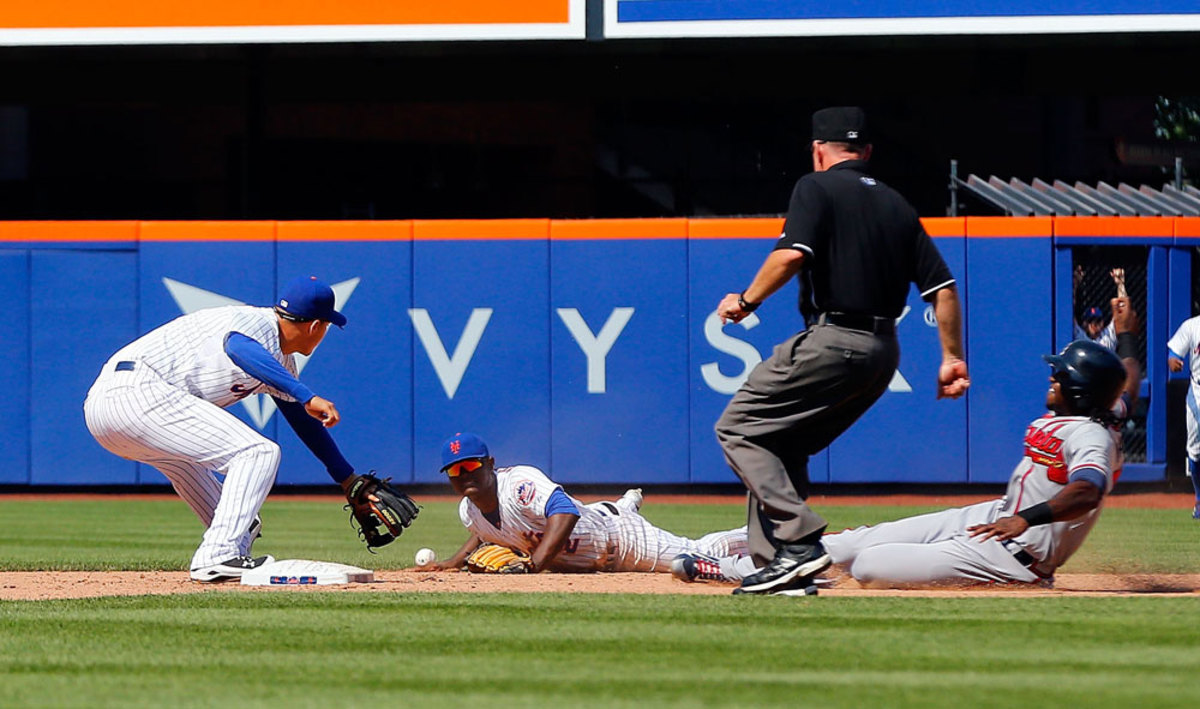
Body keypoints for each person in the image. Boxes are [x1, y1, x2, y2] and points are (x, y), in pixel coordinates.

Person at [712, 106, 969, 596]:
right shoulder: (897, 204)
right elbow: (945, 289)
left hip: (835, 339)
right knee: (781, 442)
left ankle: (801, 543)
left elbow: (790, 254)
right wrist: (951, 357)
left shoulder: (816, 186)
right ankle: (783, 566)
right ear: (867, 152)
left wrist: (746, 301)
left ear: (817, 150)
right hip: (882, 351)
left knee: (737, 428)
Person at [84, 275, 407, 582]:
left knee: (229, 509)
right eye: (327, 327)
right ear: (315, 326)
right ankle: (217, 555)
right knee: (258, 452)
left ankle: (232, 550)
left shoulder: (278, 360)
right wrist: (305, 394)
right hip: (135, 392)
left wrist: (347, 480)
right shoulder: (256, 324)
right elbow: (238, 348)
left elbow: (303, 422)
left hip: (109, 409)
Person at [823, 313, 1140, 587]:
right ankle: (787, 557)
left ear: (1080, 390)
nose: (1052, 378)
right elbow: (1129, 381)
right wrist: (1125, 333)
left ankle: (1007, 578)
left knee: (868, 565)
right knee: (856, 543)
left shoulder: (1091, 435)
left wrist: (1025, 520)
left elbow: (1088, 491)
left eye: (1060, 375)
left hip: (1014, 557)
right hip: (995, 516)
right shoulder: (1105, 411)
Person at [415, 432, 749, 574]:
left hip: (623, 541)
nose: (464, 474)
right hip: (597, 530)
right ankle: (626, 502)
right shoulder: (468, 511)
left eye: (471, 465)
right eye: (455, 470)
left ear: (490, 463)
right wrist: (453, 562)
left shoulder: (518, 484)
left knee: (699, 553)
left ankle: (773, 531)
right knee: (604, 511)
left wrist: (537, 562)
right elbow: (484, 529)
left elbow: (565, 509)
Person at [1167, 312, 1200, 519]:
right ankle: (1199, 498)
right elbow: (1174, 355)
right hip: (1198, 391)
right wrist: (1174, 362)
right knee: (1195, 451)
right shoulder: (1192, 326)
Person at [1072, 266, 1126, 351]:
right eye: (1091, 321)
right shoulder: (1080, 337)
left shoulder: (1107, 337)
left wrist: (1120, 284)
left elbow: (1122, 312)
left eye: (1098, 320)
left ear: (1103, 323)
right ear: (1085, 324)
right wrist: (1075, 283)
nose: (1095, 324)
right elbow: (1069, 311)